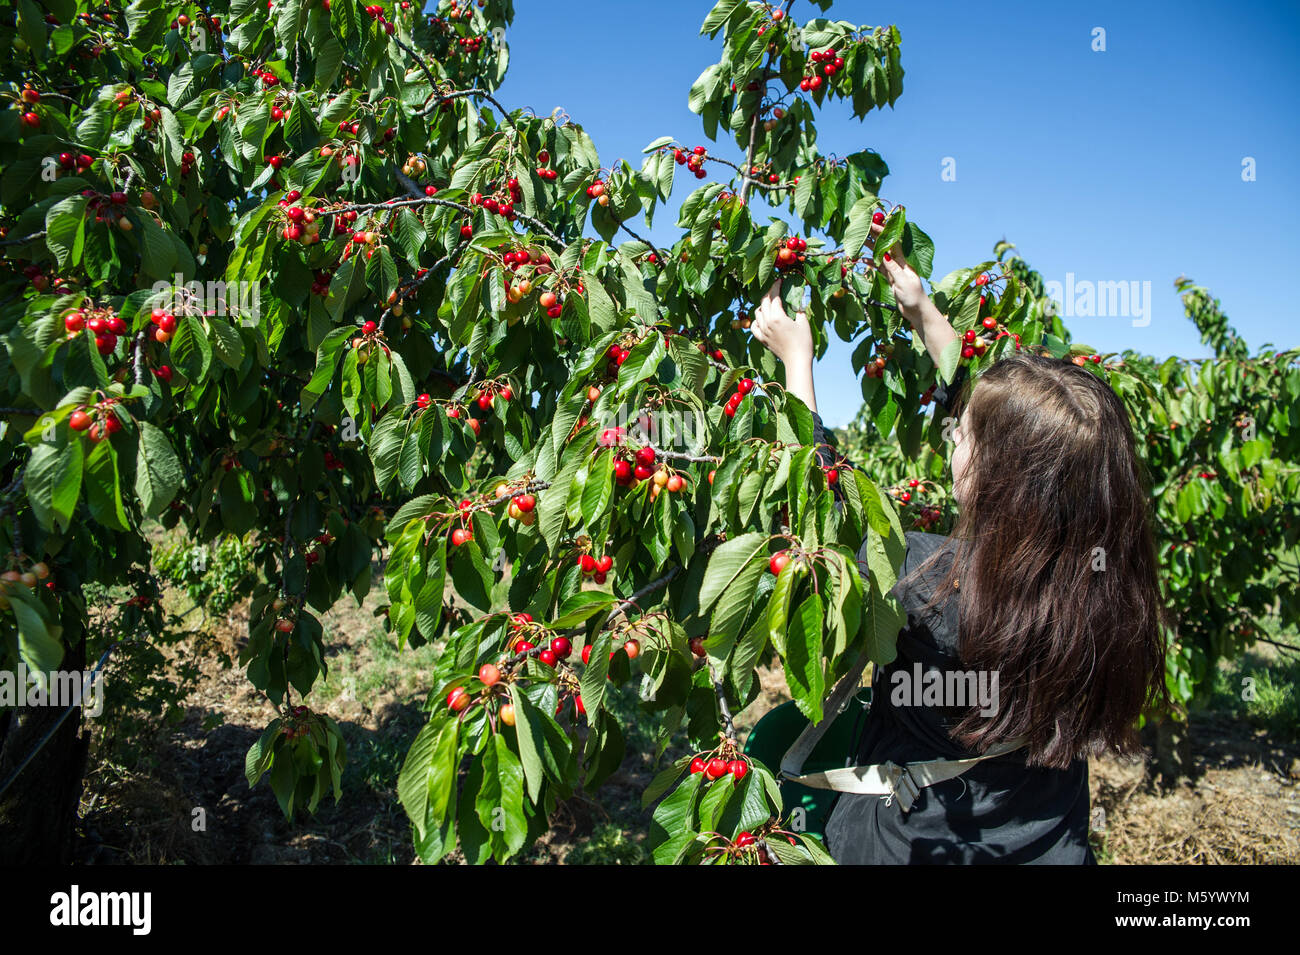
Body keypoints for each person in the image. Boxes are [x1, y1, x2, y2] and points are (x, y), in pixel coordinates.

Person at [748, 221, 1169, 864]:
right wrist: (927, 316)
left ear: (996, 475)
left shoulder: (928, 578)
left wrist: (796, 363)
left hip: (916, 843)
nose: (952, 438)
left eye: (963, 438)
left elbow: (822, 523)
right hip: (1048, 840)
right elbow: (1021, 432)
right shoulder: (1107, 586)